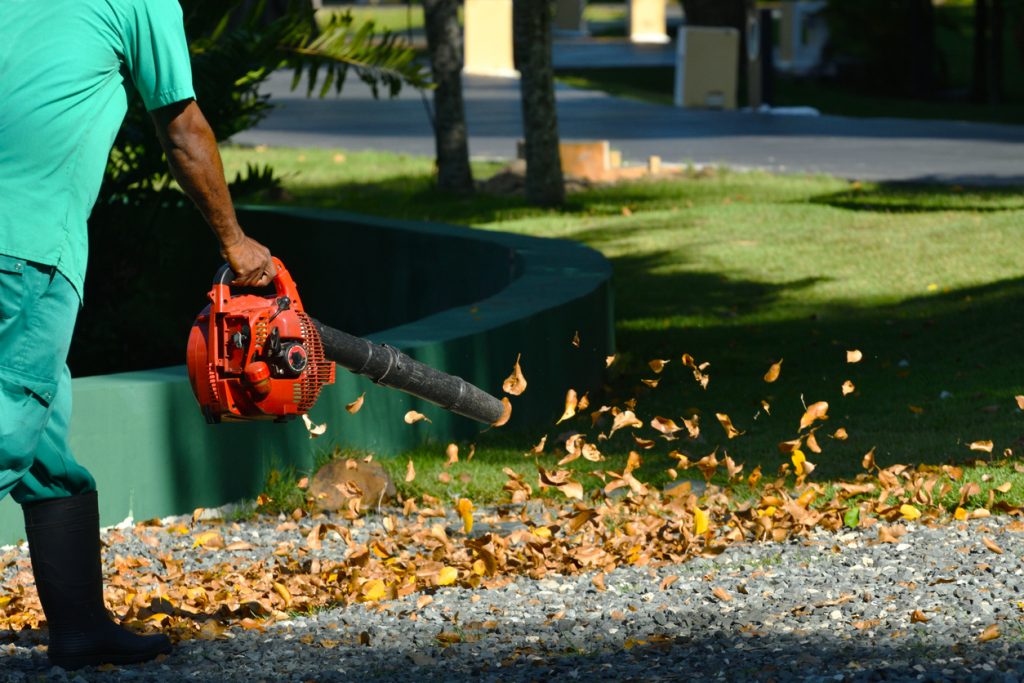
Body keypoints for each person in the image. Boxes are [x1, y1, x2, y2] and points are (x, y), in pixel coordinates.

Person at [0, 0, 276, 669]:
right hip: (27, 247)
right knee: (8, 429)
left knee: (44, 448)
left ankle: (81, 627)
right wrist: (236, 244)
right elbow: (183, 130)